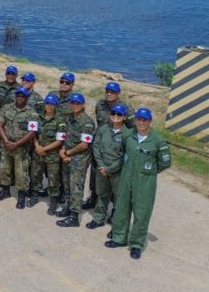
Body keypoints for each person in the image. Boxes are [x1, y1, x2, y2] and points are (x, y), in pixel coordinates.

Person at [105, 108, 171, 259]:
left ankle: (136, 244)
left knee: (141, 213)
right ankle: (119, 237)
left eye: (144, 120)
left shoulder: (157, 141)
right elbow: (124, 152)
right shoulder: (128, 135)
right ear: (135, 120)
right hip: (126, 178)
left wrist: (149, 172)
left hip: (145, 183)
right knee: (122, 208)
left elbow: (165, 162)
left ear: (150, 121)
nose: (141, 122)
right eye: (138, 119)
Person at [55, 93, 97, 228]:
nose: (75, 105)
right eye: (73, 103)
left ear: (83, 105)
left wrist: (68, 152)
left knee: (76, 186)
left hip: (79, 158)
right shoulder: (69, 118)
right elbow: (63, 136)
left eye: (78, 103)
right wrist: (62, 151)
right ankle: (68, 207)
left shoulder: (87, 122)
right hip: (66, 155)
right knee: (67, 183)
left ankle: (74, 216)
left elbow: (85, 144)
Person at [0, 88, 39, 208]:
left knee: (21, 173)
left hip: (21, 148)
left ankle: (21, 197)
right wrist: (6, 141)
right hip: (6, 145)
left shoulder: (32, 113)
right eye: (18, 95)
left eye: (22, 96)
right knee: (4, 169)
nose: (20, 98)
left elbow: (32, 132)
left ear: (27, 98)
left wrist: (17, 144)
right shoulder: (6, 108)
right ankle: (5, 190)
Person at [88, 104, 128, 229]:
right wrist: (101, 166)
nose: (116, 116)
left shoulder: (128, 134)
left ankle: (115, 221)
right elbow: (96, 146)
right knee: (102, 195)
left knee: (118, 197)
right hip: (102, 168)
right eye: (113, 113)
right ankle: (98, 218)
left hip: (118, 171)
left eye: (119, 114)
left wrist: (110, 169)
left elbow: (125, 156)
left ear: (124, 117)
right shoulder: (103, 129)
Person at [33, 95, 66, 215]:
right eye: (47, 103)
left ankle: (53, 202)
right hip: (38, 153)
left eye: (52, 104)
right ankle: (34, 196)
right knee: (36, 175)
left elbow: (60, 140)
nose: (49, 106)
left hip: (52, 155)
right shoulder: (38, 118)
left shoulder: (60, 121)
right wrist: (37, 146)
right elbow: (33, 134)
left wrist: (44, 148)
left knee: (53, 180)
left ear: (55, 106)